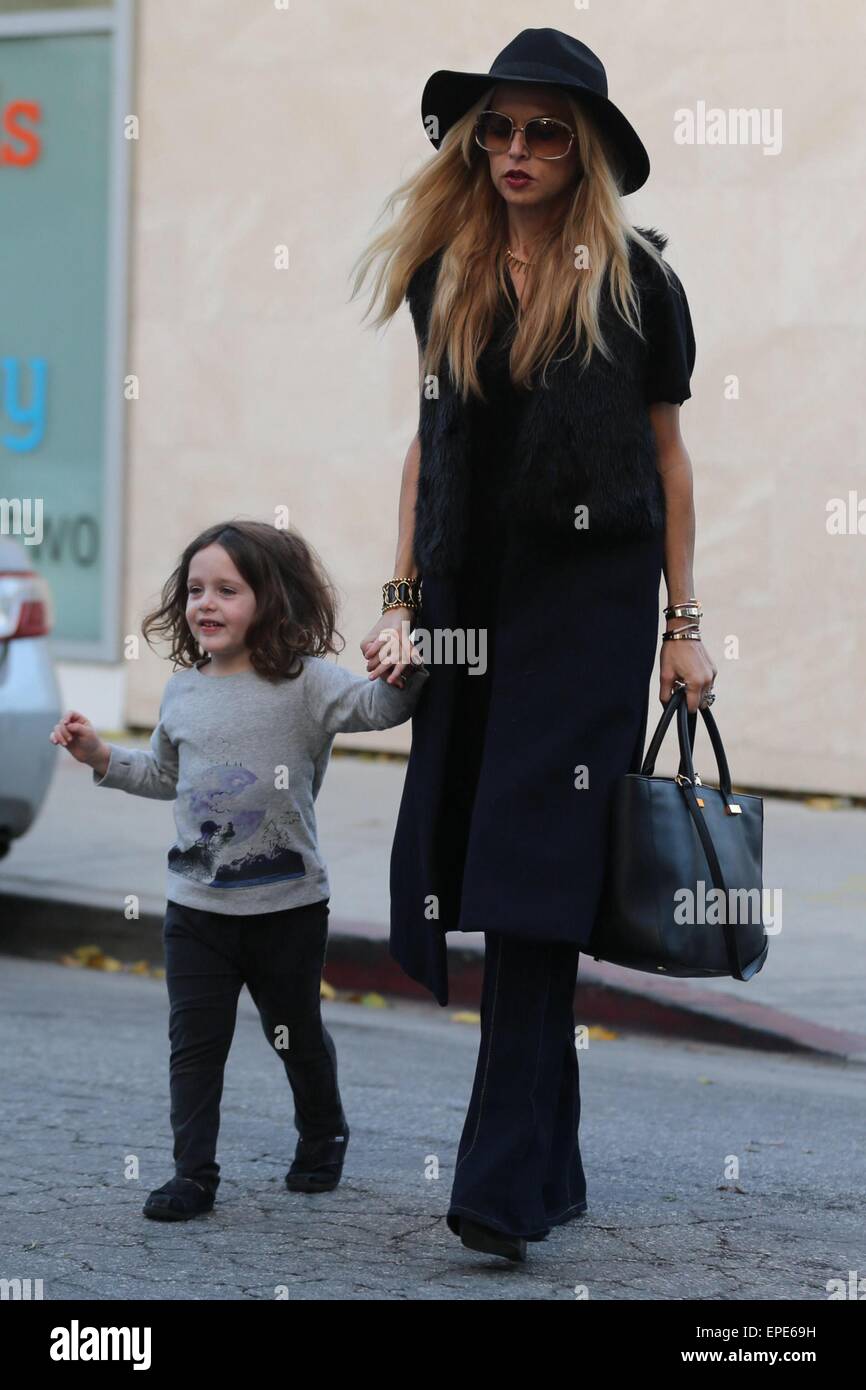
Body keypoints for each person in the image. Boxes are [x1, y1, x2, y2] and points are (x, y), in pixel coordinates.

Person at [351, 28, 717, 1262]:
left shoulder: (636, 283)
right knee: (495, 877)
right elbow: (426, 444)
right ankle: (546, 1168)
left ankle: (497, 1190)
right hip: (466, 602)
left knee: (529, 880)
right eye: (497, 129)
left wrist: (681, 628)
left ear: (587, 151)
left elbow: (668, 461)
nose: (515, 150)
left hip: (584, 611)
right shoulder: (442, 273)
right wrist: (399, 597)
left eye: (544, 132)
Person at [49, 518, 428, 1221]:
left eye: (227, 588)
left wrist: (407, 660)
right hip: (196, 910)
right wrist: (101, 756)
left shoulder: (307, 684)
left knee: (294, 1033)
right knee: (195, 1045)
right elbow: (163, 775)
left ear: (272, 598)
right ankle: (193, 1175)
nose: (206, 604)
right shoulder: (182, 692)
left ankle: (323, 1134)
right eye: (196, 590)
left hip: (287, 905)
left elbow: (381, 707)